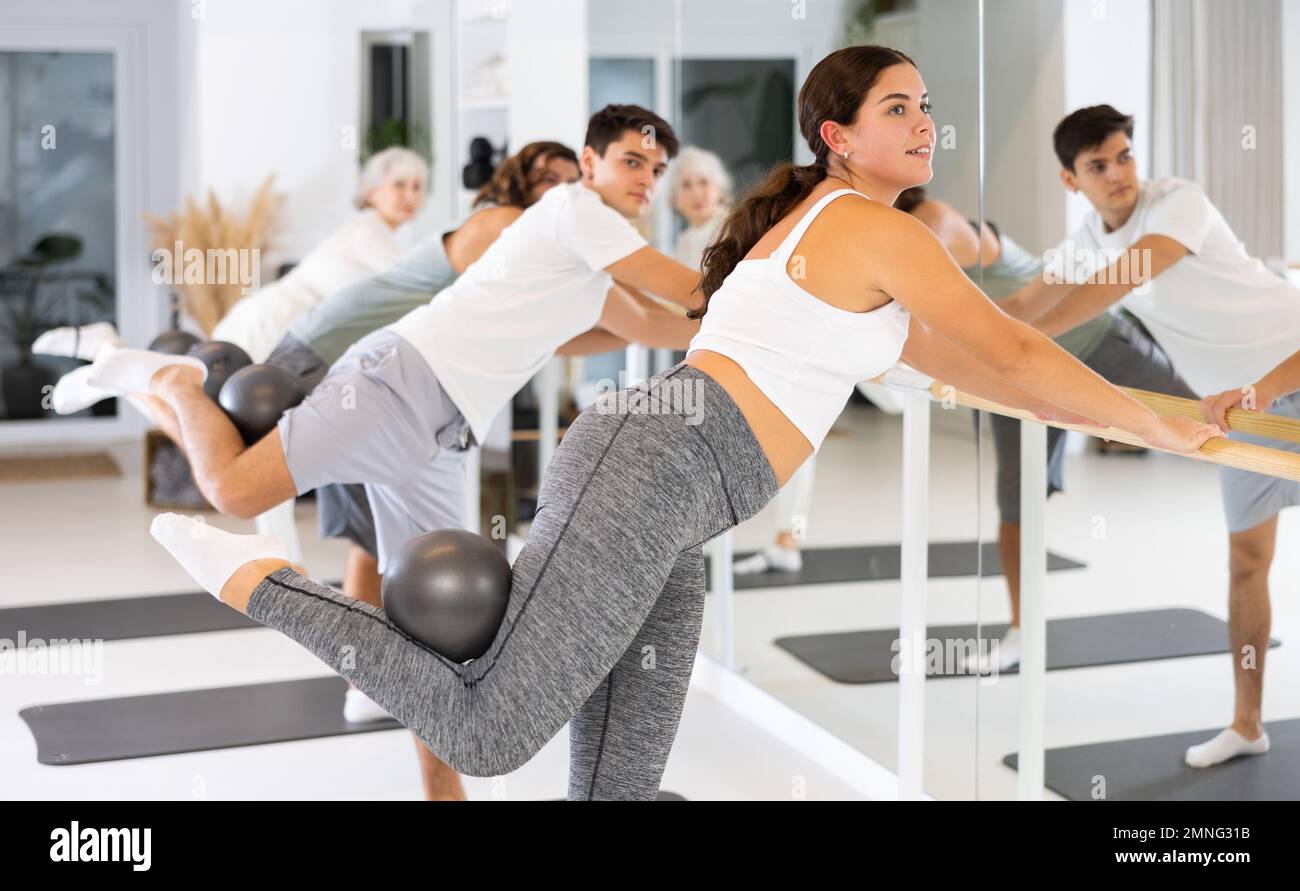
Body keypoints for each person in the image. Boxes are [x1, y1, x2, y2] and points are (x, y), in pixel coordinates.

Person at [147, 48, 1219, 800]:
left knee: (619, 775)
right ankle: (253, 581)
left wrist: (1177, 410)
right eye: (898, 106)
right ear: (838, 138)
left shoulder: (846, 244)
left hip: (676, 495)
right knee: (491, 729)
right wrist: (1157, 430)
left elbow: (1001, 375)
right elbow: (1019, 347)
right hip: (655, 464)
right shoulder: (866, 226)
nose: (924, 120)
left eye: (926, 103)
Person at [1001, 104, 1300, 768]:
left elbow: (1120, 281)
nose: (1118, 174)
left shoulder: (1177, 203)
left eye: (1124, 155)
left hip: (1292, 365)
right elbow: (1024, 303)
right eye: (1097, 166)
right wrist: (939, 340)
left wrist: (1009, 356)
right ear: (1069, 179)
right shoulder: (1085, 237)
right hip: (1239, 407)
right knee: (1247, 563)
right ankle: (1247, 723)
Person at [897, 186, 1196, 671]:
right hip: (1012, 379)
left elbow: (922, 270)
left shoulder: (933, 217)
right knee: (1014, 506)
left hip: (1094, 343)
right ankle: (1021, 632)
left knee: (1212, 419)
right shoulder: (893, 234)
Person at [40, 146, 430, 404]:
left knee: (195, 393)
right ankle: (109, 360)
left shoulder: (370, 233)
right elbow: (416, 285)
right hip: (277, 322)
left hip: (280, 323)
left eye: (417, 187)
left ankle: (107, 358)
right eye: (399, 184)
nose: (409, 195)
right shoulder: (369, 232)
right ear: (372, 190)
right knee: (197, 396)